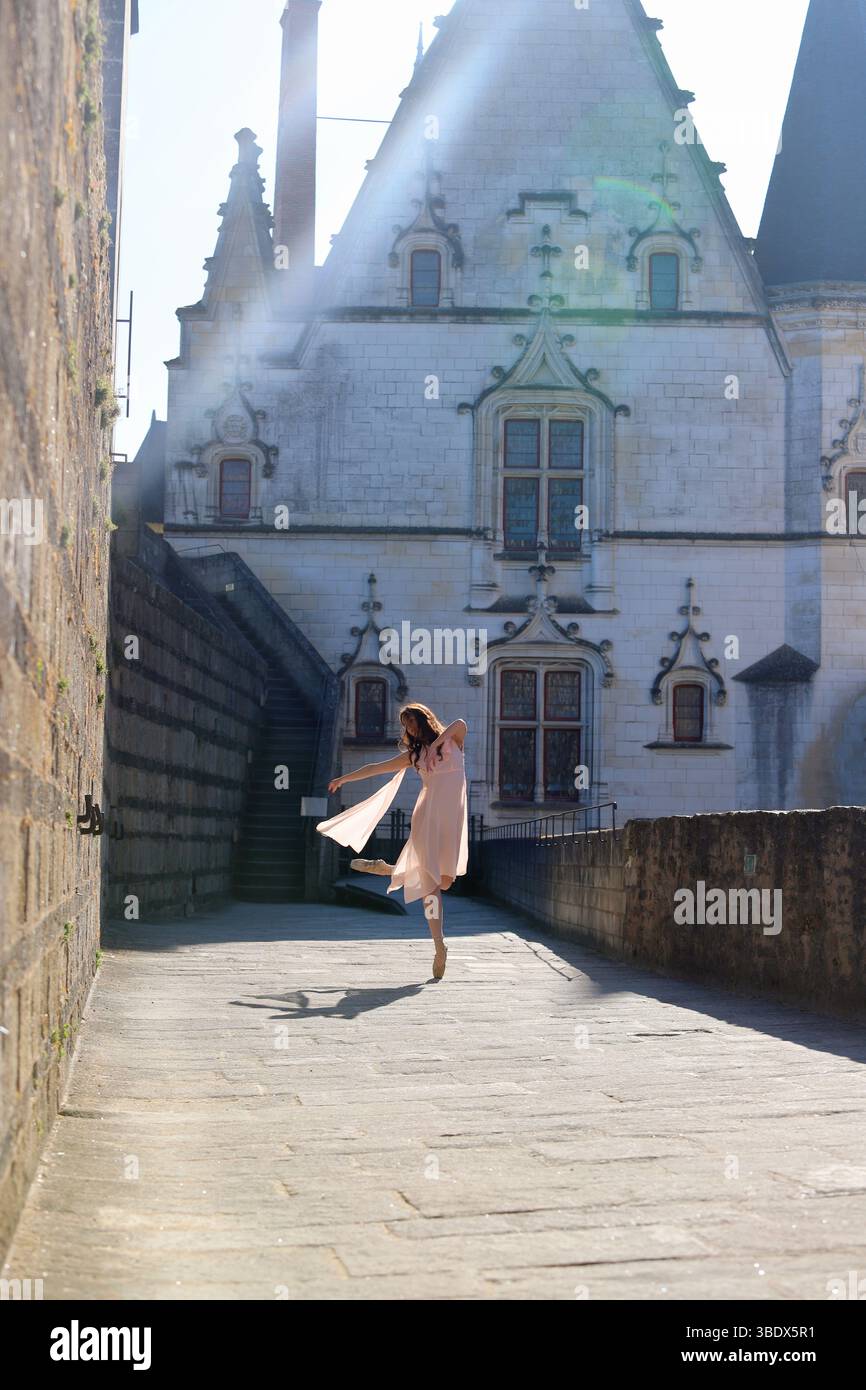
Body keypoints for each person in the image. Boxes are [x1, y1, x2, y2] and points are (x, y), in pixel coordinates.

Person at [316, 705, 469, 980]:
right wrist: (344, 778)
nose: (409, 728)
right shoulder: (414, 755)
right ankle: (439, 946)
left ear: (424, 719)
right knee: (432, 886)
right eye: (405, 724)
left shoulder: (451, 740)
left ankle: (389, 869)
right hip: (428, 817)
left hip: (453, 819)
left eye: (412, 721)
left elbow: (459, 722)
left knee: (445, 881)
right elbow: (376, 768)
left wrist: (435, 746)